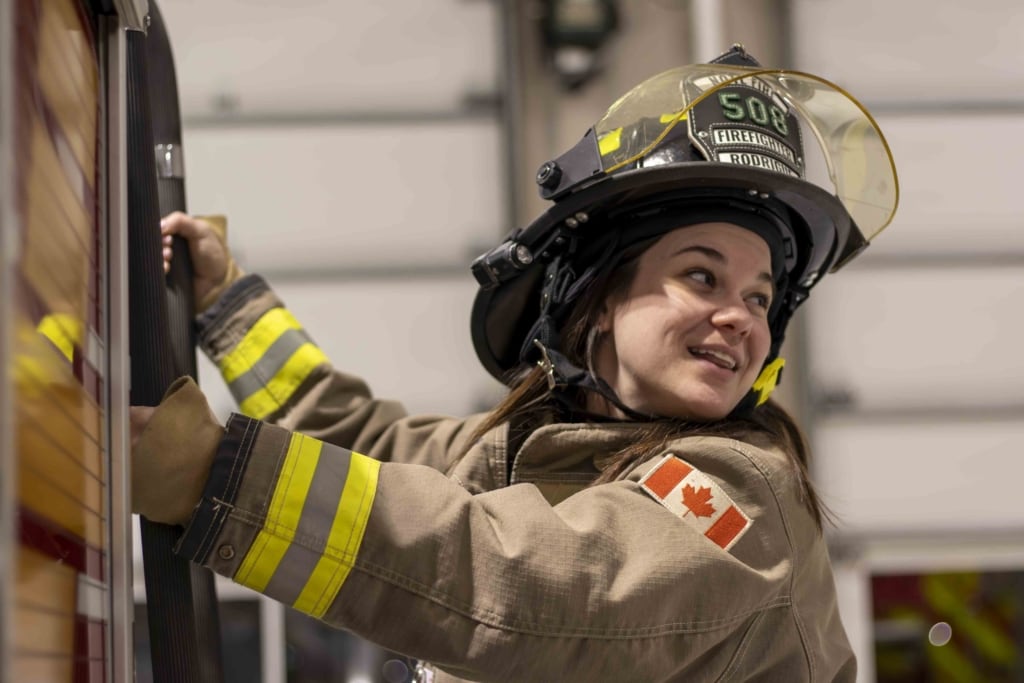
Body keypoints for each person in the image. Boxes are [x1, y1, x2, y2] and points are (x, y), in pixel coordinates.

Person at [131, 45, 898, 681]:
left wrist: (217, 477)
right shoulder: (534, 448)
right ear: (599, 301)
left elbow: (528, 585)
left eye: (761, 298)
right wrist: (228, 303)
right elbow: (356, 438)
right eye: (702, 276)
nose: (739, 316)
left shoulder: (738, 496)